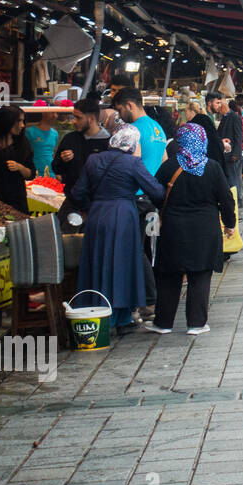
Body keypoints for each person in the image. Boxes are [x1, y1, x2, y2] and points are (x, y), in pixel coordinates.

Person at [71, 126, 166, 334]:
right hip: (124, 215)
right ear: (131, 144)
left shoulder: (93, 160)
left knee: (97, 262)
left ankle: (98, 314)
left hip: (97, 214)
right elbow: (156, 190)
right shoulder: (132, 162)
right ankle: (121, 317)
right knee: (122, 263)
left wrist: (89, 208)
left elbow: (77, 193)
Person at [145, 123, 236, 336]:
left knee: (169, 276)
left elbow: (156, 195)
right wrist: (229, 223)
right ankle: (196, 323)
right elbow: (226, 199)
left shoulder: (169, 167)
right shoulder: (212, 167)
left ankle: (164, 322)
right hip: (205, 229)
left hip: (173, 229)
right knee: (200, 275)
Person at [52, 99, 110, 222]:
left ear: (92, 119)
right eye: (73, 117)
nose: (74, 121)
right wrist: (63, 160)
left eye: (78, 118)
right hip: (72, 203)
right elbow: (56, 168)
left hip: (98, 206)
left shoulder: (108, 143)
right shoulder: (70, 139)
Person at [0, 106, 35, 213]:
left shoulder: (22, 144)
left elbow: (31, 173)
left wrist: (20, 167)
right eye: (19, 121)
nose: (22, 125)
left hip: (16, 203)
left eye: (23, 121)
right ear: (7, 121)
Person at [113, 87, 167, 179]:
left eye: (120, 110)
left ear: (129, 105)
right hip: (152, 188)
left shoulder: (130, 130)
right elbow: (164, 160)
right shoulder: (158, 127)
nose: (120, 116)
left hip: (133, 190)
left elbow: (121, 165)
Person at [24, 111, 59, 178]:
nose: (55, 116)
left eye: (56, 113)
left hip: (51, 173)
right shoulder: (30, 132)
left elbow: (54, 153)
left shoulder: (55, 133)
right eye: (52, 112)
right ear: (43, 112)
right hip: (34, 173)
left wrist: (57, 172)